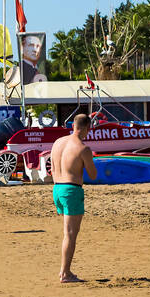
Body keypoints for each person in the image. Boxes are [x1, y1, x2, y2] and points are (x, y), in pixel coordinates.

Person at [48, 115, 97, 283]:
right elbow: (93, 174)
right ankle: (65, 273)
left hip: (57, 189)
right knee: (70, 234)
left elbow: (52, 169)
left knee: (67, 232)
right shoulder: (83, 149)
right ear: (86, 128)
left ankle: (65, 271)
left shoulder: (58, 143)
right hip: (72, 189)